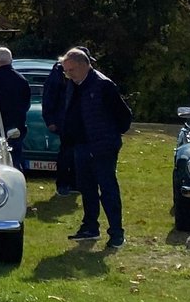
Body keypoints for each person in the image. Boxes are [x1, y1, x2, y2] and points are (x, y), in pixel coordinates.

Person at [56, 47, 133, 248]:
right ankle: (90, 227)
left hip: (102, 146)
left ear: (84, 65)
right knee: (86, 188)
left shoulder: (103, 85)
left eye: (71, 70)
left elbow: (124, 116)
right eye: (66, 71)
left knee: (108, 189)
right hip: (81, 145)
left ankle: (116, 233)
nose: (68, 74)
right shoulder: (73, 85)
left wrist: (108, 138)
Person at [0, 46, 32, 170]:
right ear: (11, 60)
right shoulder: (21, 80)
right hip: (16, 127)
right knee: (15, 159)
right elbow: (26, 104)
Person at [40, 55, 77, 195]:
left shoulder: (65, 75)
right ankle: (64, 184)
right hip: (64, 120)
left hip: (70, 119)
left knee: (72, 153)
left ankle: (72, 183)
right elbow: (49, 98)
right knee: (66, 153)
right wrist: (50, 120)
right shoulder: (58, 76)